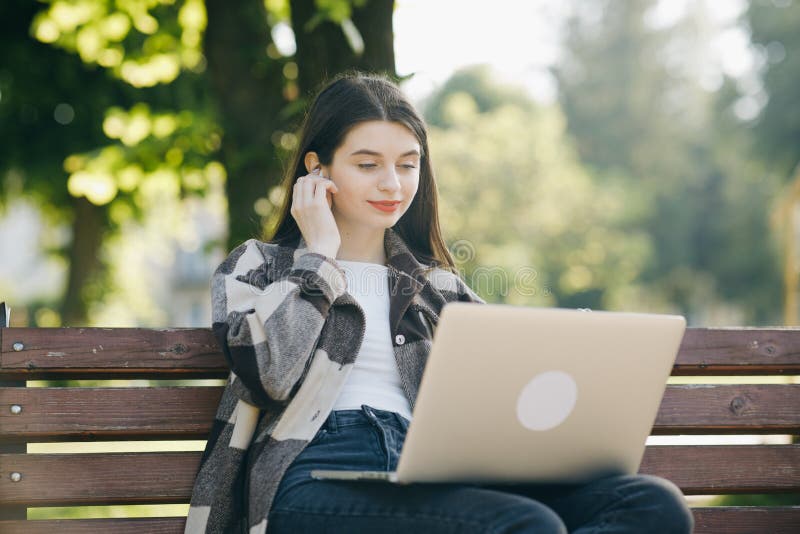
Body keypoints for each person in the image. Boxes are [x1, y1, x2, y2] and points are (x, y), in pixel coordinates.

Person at [184, 71, 694, 534]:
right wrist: (319, 257)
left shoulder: (440, 287)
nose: (393, 184)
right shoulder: (260, 264)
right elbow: (267, 371)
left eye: (408, 165)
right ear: (317, 168)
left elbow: (502, 394)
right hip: (310, 478)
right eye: (368, 165)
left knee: (651, 505)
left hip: (428, 473)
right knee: (525, 525)